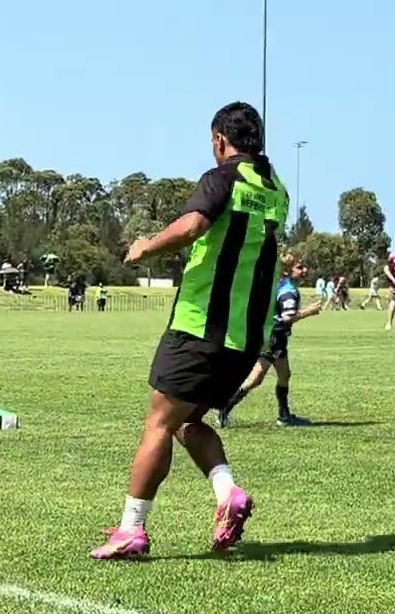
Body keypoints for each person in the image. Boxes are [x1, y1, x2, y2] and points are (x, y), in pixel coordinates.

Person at [90, 101, 287, 560]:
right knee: (188, 422)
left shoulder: (221, 178)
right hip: (245, 339)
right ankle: (227, 493)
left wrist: (145, 248)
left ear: (220, 139)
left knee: (158, 423)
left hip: (200, 328)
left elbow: (195, 224)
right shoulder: (275, 188)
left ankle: (131, 530)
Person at [216, 254, 321, 428]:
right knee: (257, 378)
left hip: (275, 337)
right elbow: (287, 318)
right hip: (273, 337)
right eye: (299, 267)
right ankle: (224, 406)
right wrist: (309, 312)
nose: (305, 270)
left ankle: (283, 415)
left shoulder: (282, 285)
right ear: (287, 270)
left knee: (283, 375)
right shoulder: (288, 291)